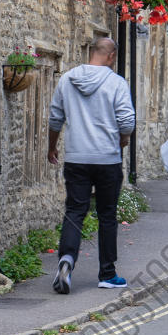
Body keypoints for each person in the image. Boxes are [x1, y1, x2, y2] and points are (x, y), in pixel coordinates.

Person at [47, 37, 136, 293]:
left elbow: (55, 118)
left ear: (92, 52)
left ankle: (67, 259)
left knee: (75, 211)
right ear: (111, 56)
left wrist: (52, 146)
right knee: (107, 215)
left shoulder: (68, 79)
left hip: (76, 157)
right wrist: (123, 139)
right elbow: (127, 121)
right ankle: (107, 274)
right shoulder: (117, 83)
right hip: (107, 159)